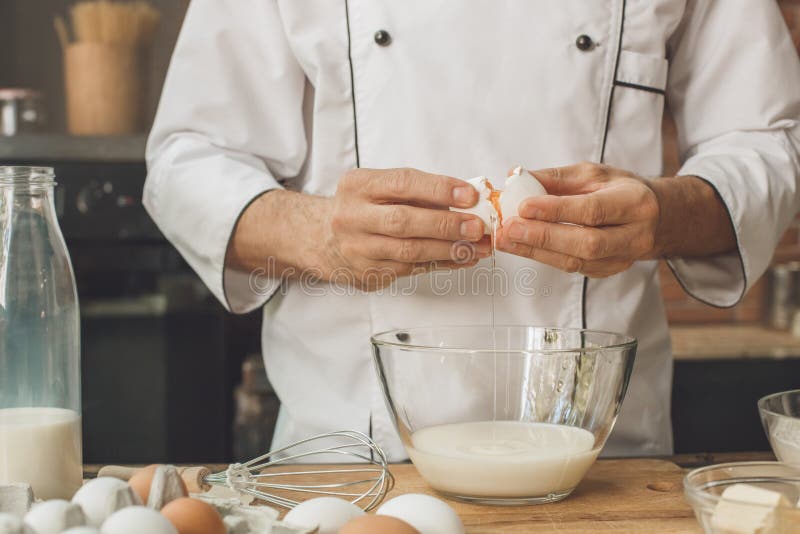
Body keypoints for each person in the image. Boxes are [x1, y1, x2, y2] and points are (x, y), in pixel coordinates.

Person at [145, 1, 800, 458]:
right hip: (351, 456)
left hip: (604, 460)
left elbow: (768, 143)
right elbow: (187, 161)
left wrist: (668, 215)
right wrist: (317, 234)